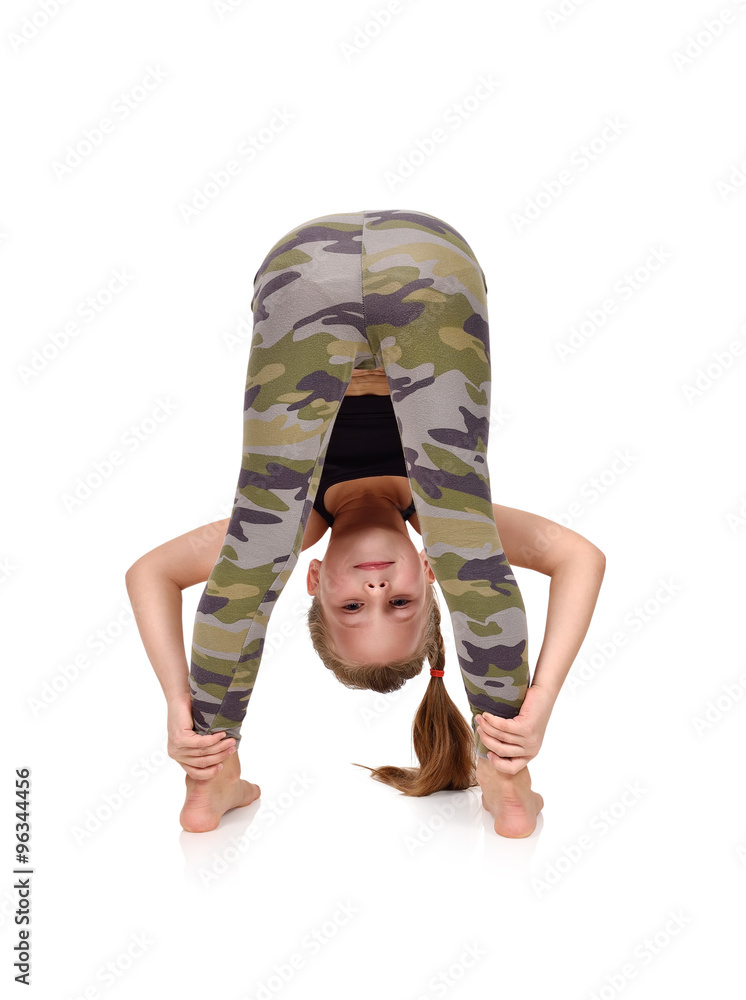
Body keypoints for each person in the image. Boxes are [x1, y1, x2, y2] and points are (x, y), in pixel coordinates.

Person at [125, 208, 605, 838]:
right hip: (431, 262)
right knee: (470, 545)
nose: (376, 593)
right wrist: (536, 703)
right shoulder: (443, 526)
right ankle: (507, 777)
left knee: (253, 553)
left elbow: (150, 574)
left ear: (314, 578)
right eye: (402, 603)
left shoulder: (292, 530)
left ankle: (209, 777)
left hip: (303, 271)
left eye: (352, 609)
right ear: (428, 575)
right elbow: (581, 559)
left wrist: (179, 705)